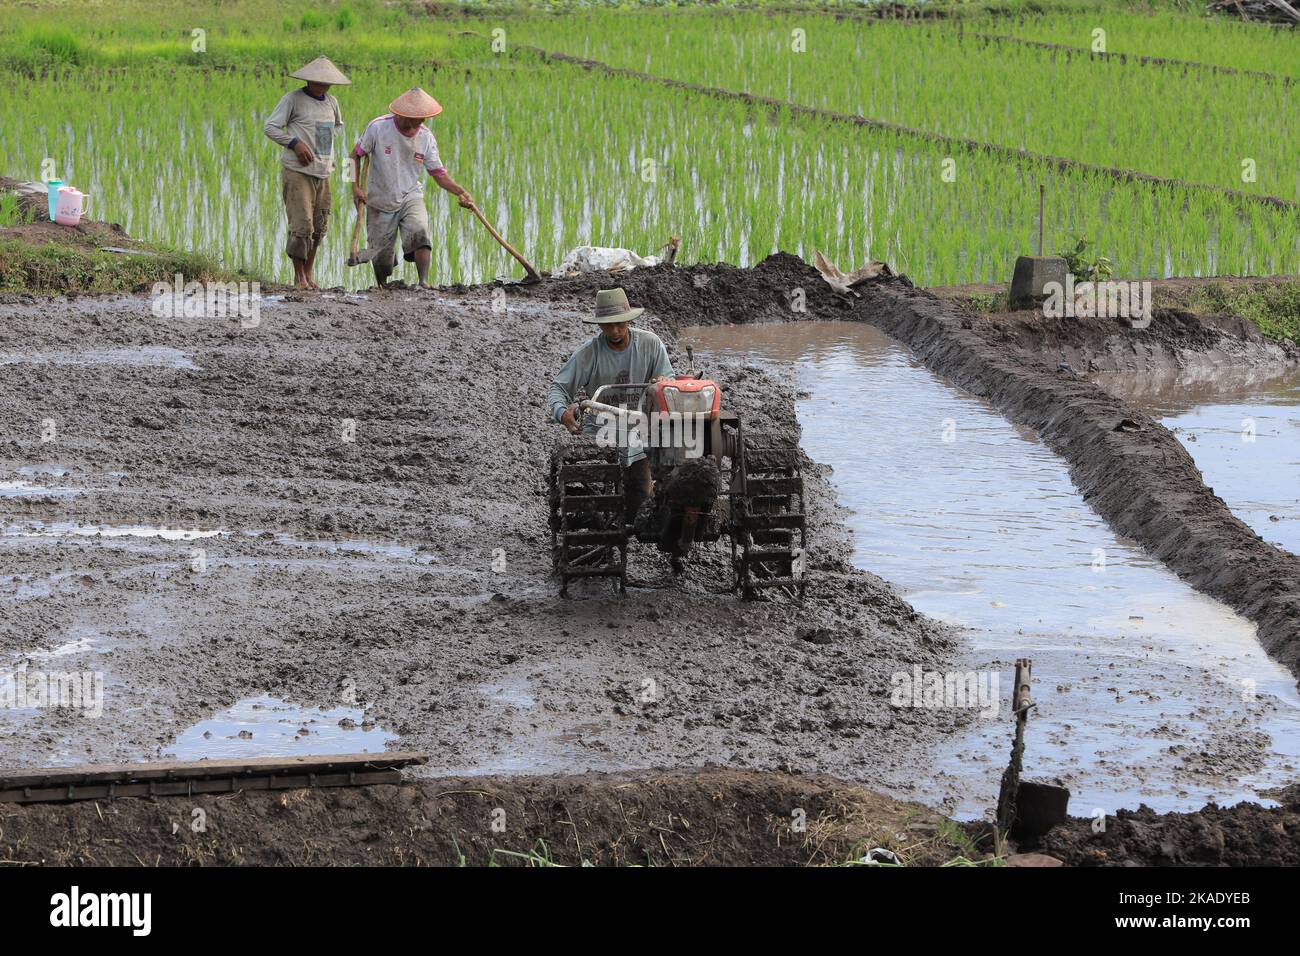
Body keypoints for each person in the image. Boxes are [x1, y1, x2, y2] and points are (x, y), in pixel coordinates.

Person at [547, 288, 674, 522]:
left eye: (619, 324)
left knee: (643, 490)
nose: (614, 331)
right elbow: (558, 388)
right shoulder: (589, 353)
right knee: (588, 492)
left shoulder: (650, 344)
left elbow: (669, 382)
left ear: (628, 319)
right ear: (599, 325)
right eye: (607, 325)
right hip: (599, 429)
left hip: (639, 429)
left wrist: (664, 383)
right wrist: (562, 412)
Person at [350, 87, 474, 289]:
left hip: (410, 195)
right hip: (380, 198)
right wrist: (354, 187)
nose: (420, 122)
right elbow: (353, 156)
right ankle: (381, 286)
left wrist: (460, 191)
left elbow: (439, 174)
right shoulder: (378, 128)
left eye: (423, 118)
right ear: (402, 114)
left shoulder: (426, 137)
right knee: (382, 258)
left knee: (420, 230)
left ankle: (423, 281)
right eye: (416, 118)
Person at [263, 55, 349, 290]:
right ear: (308, 80)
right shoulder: (293, 99)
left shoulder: (331, 102)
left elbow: (335, 128)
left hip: (323, 173)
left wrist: (325, 153)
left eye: (326, 82)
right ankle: (299, 277)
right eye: (317, 81)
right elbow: (270, 127)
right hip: (297, 172)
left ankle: (309, 274)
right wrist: (295, 143)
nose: (321, 85)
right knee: (301, 226)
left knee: (319, 227)